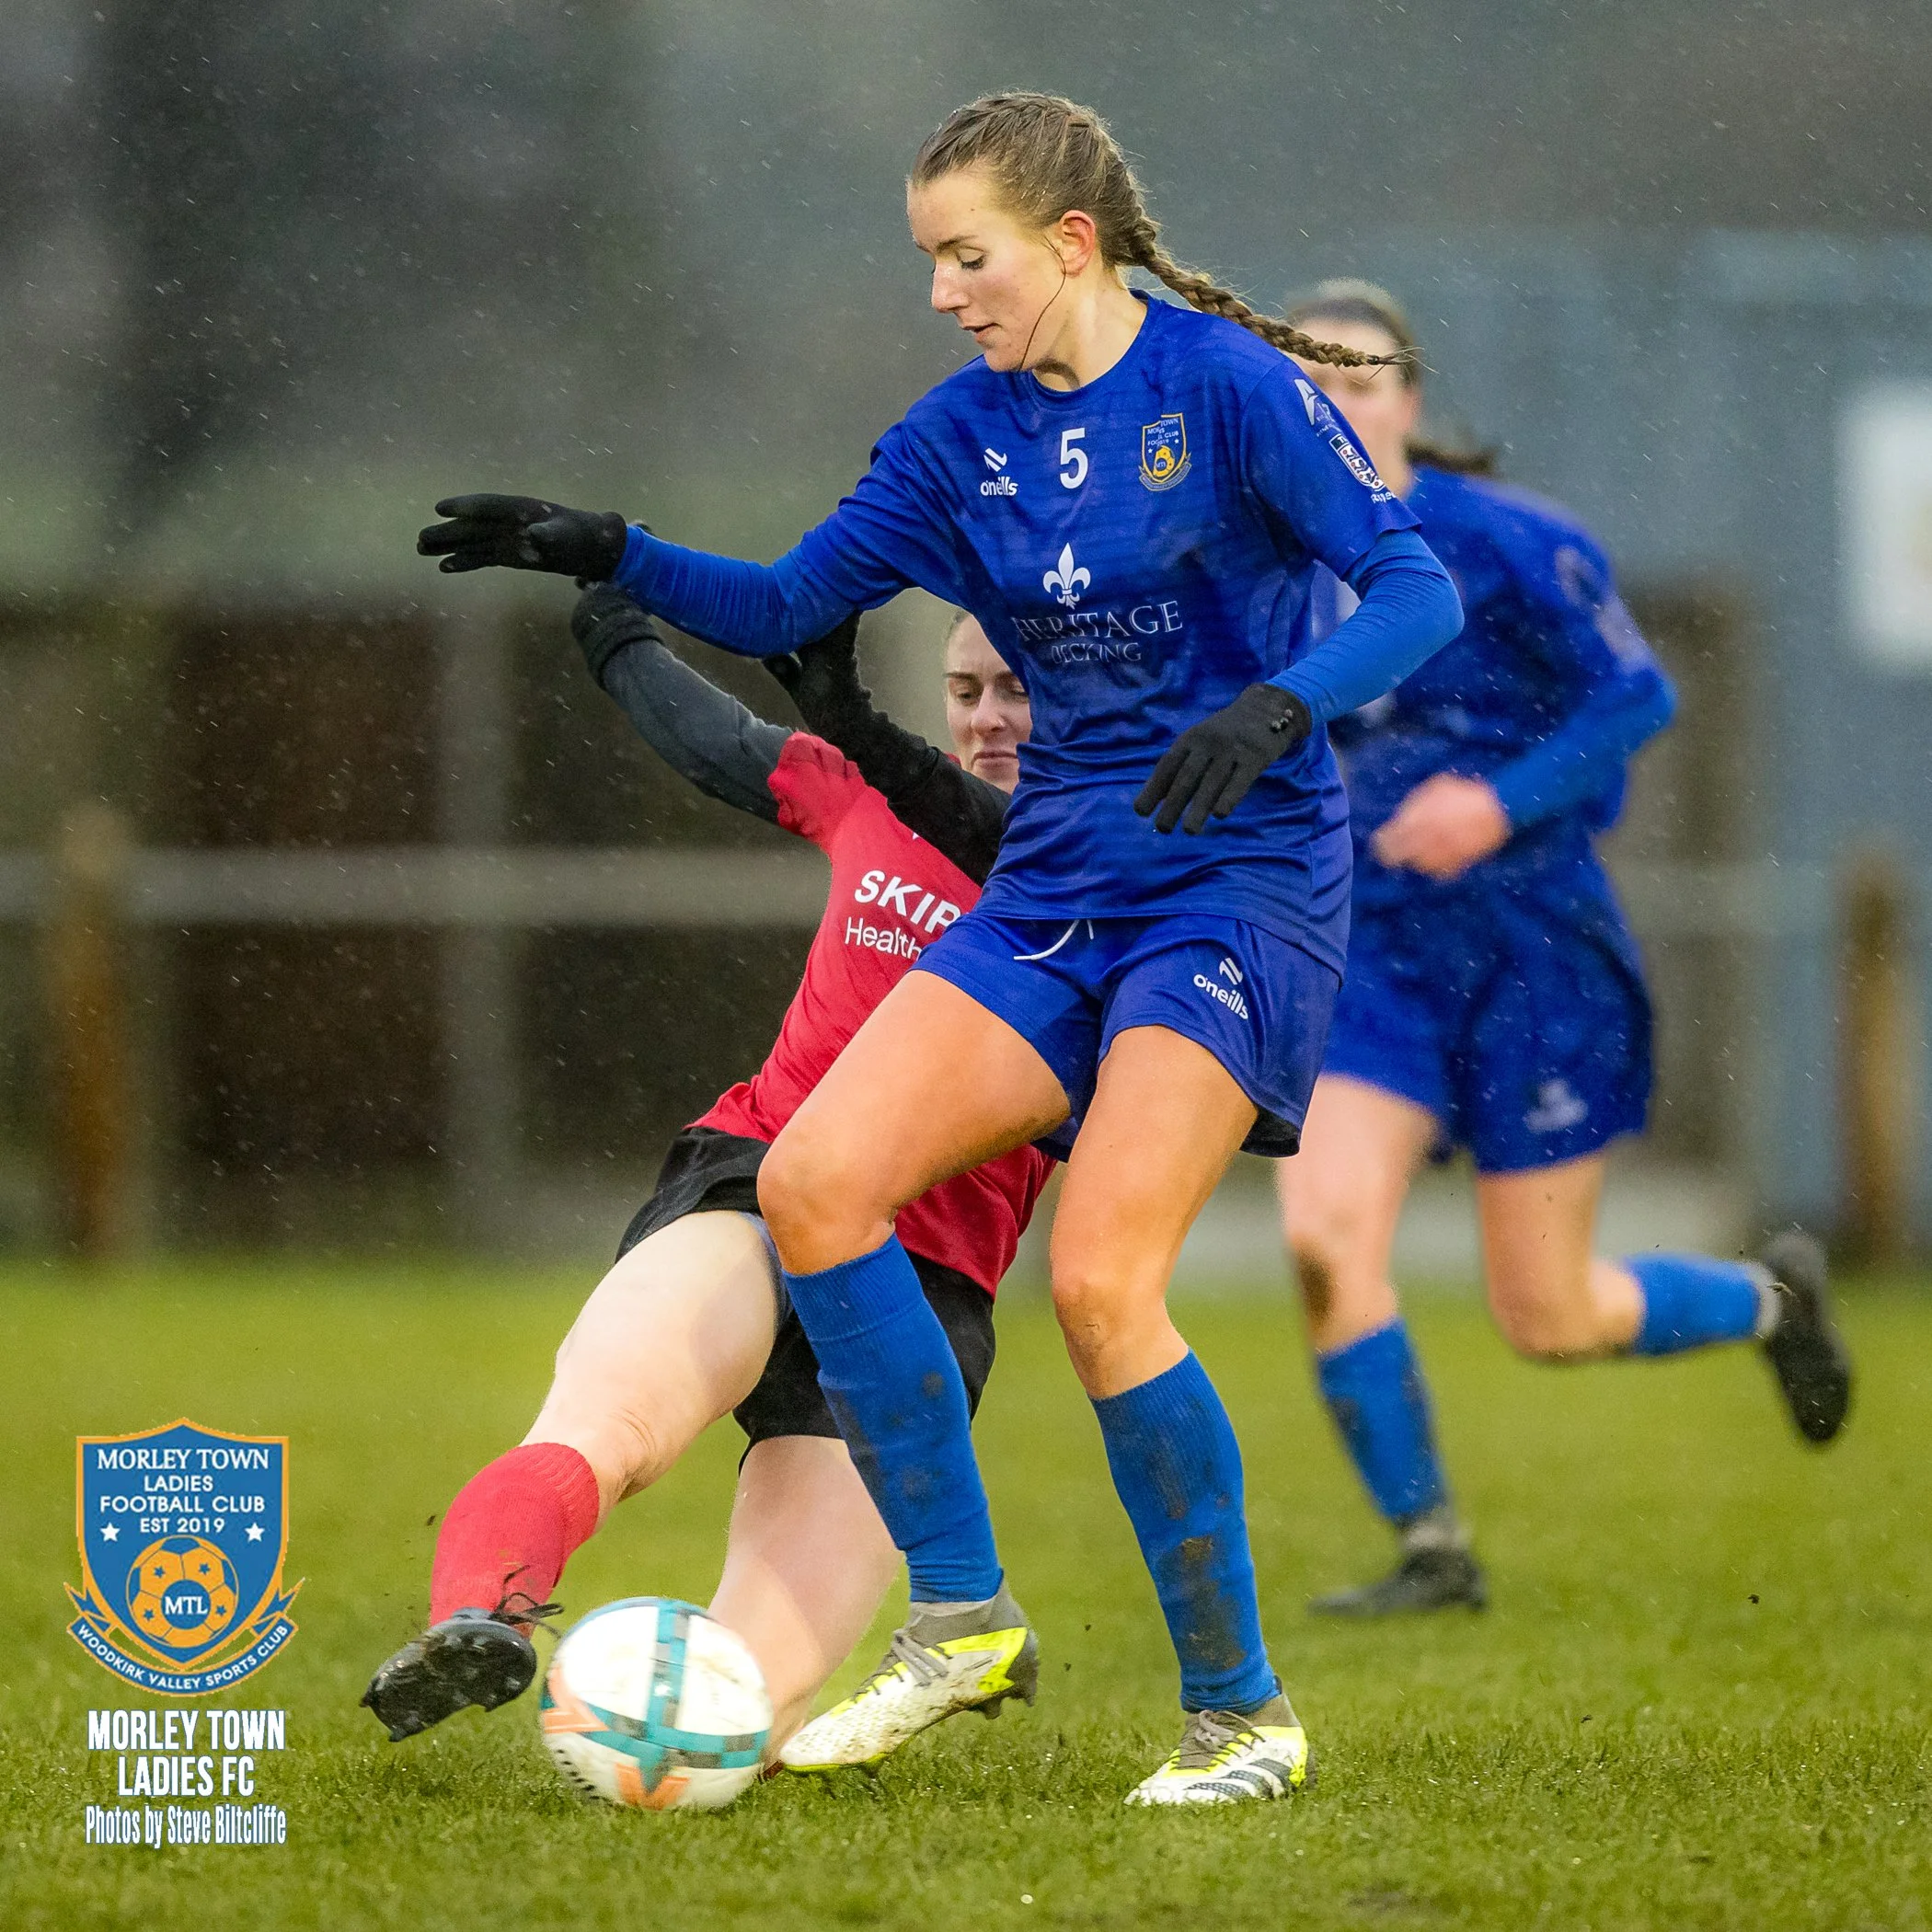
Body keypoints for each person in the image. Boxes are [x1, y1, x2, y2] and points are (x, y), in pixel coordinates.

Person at [418, 91, 1463, 1806]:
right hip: (1057, 878)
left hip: (1238, 884)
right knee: (820, 1183)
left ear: (1069, 245)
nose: (940, 293)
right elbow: (783, 603)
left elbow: (1416, 592)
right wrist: (606, 552)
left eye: (964, 257)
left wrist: (1283, 706)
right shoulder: (957, 437)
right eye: (927, 261)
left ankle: (1241, 1718)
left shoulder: (1227, 388)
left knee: (1104, 1282)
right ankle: (963, 1619)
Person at [362, 588, 1052, 1761]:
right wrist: (618, 628)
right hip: (759, 1183)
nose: (988, 716)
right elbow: (726, 747)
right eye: (965, 687)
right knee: (607, 1421)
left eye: (1021, 688)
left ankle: (663, 1757)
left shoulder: (1135, 877)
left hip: (928, 1283)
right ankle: (473, 1620)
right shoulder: (883, 791)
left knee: (734, 1717)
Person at [1270, 281, 1853, 1616]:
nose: (1343, 406)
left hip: (1533, 951)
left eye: (1364, 380)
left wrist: (1496, 802)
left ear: (1408, 398)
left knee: (1549, 1316)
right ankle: (1433, 1550)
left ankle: (1773, 1299)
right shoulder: (1266, 567)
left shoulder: (1517, 543)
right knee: (1323, 1233)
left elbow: (1638, 695)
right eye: (1314, 388)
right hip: (1372, 958)